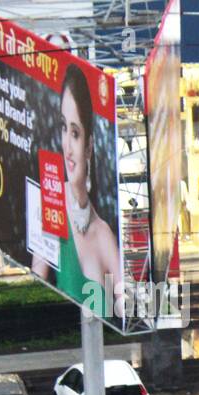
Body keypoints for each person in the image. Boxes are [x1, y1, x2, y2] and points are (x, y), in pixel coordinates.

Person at [31, 66, 121, 319]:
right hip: (64, 350)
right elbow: (37, 289)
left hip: (104, 353)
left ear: (90, 146)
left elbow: (133, 309)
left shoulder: (104, 235)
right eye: (63, 127)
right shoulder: (52, 204)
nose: (67, 147)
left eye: (75, 133)